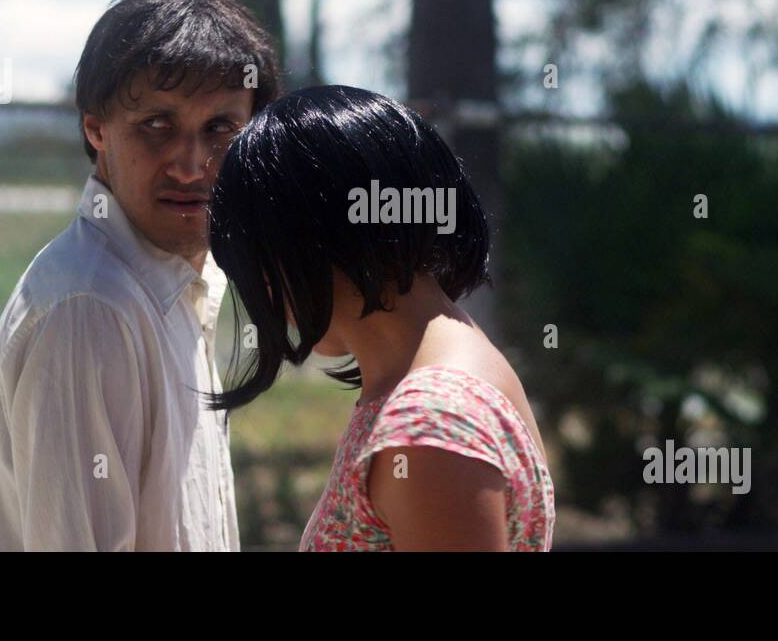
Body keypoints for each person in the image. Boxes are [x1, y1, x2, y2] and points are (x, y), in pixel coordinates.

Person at [0, 0, 280, 550]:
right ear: (96, 128)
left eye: (220, 128)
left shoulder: (177, 280)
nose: (190, 164)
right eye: (156, 125)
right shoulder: (91, 310)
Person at [207, 85, 555, 551]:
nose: (261, 289)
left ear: (305, 243)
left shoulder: (429, 420)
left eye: (257, 260)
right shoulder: (458, 358)